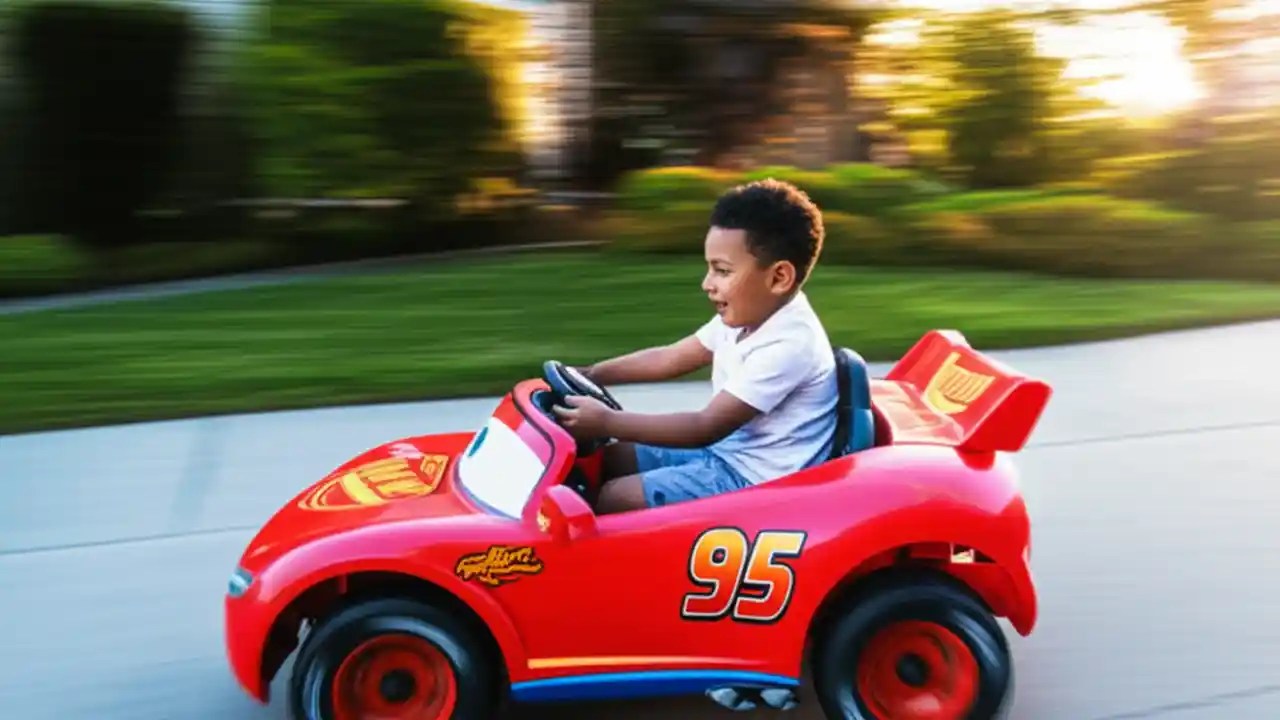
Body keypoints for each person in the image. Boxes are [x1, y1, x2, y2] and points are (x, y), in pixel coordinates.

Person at [553, 178, 838, 514]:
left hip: (756, 480)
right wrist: (593, 374)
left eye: (722, 271)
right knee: (610, 457)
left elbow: (704, 427)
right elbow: (671, 358)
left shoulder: (789, 343)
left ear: (778, 278)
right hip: (728, 452)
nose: (707, 284)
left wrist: (606, 423)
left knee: (615, 498)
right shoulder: (748, 315)